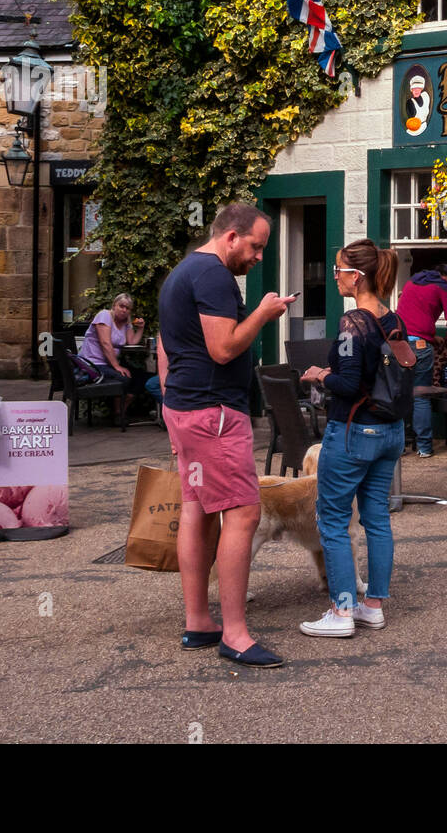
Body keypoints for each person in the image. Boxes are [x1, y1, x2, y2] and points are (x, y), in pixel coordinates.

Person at [157, 203, 297, 668]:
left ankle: (199, 621)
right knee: (243, 514)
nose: (258, 256)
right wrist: (263, 312)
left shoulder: (182, 271)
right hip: (214, 412)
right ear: (231, 236)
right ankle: (235, 634)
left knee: (196, 509)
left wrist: (169, 403)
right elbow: (223, 348)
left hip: (186, 407)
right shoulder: (215, 275)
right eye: (256, 246)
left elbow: (164, 346)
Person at [299, 238, 406, 638]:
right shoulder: (394, 320)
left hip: (352, 432)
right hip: (390, 431)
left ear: (356, 277)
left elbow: (346, 382)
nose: (334, 276)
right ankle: (372, 606)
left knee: (332, 521)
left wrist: (320, 374)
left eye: (339, 270)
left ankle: (342, 611)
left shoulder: (352, 322)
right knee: (377, 518)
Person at [395, 262, 447, 457]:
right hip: (420, 348)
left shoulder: (410, 283)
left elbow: (412, 318)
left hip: (398, 344)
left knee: (399, 393)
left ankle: (398, 446)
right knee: (420, 394)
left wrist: (432, 338)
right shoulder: (443, 287)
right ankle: (424, 447)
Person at [77, 294, 144, 384]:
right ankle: (118, 397)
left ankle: (127, 397)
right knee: (125, 378)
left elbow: (132, 342)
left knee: (140, 375)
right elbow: (105, 343)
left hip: (108, 364)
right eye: (121, 306)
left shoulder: (125, 322)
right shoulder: (104, 315)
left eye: (127, 308)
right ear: (114, 306)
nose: (124, 310)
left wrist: (140, 328)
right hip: (92, 364)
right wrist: (117, 366)